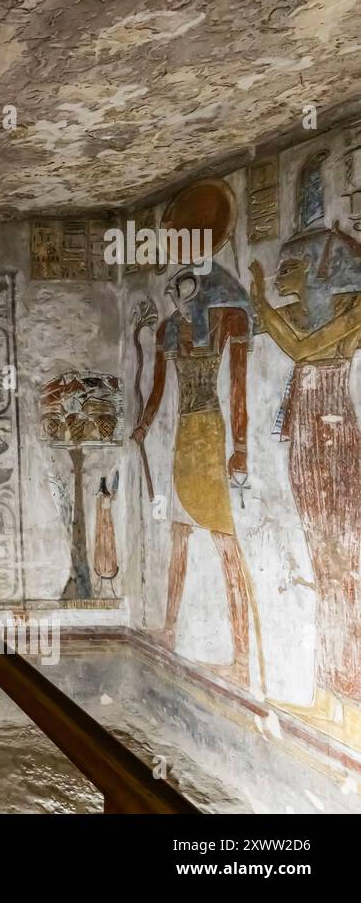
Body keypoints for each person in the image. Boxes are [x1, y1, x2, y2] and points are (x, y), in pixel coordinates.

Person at [133, 264, 263, 689]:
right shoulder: (169, 329)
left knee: (224, 539)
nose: (181, 297)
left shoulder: (228, 319)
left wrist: (240, 448)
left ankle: (242, 656)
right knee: (179, 533)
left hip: (209, 430)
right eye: (177, 290)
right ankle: (169, 628)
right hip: (185, 435)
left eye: (189, 288)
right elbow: (156, 388)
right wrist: (144, 424)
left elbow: (238, 385)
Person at [251, 224, 361, 724]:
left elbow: (301, 349)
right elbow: (280, 333)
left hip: (333, 433)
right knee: (322, 564)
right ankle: (328, 693)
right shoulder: (301, 312)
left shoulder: (351, 310)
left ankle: (347, 693)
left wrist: (258, 300)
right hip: (306, 437)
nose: (279, 275)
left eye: (291, 267)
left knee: (343, 567)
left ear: (321, 268)